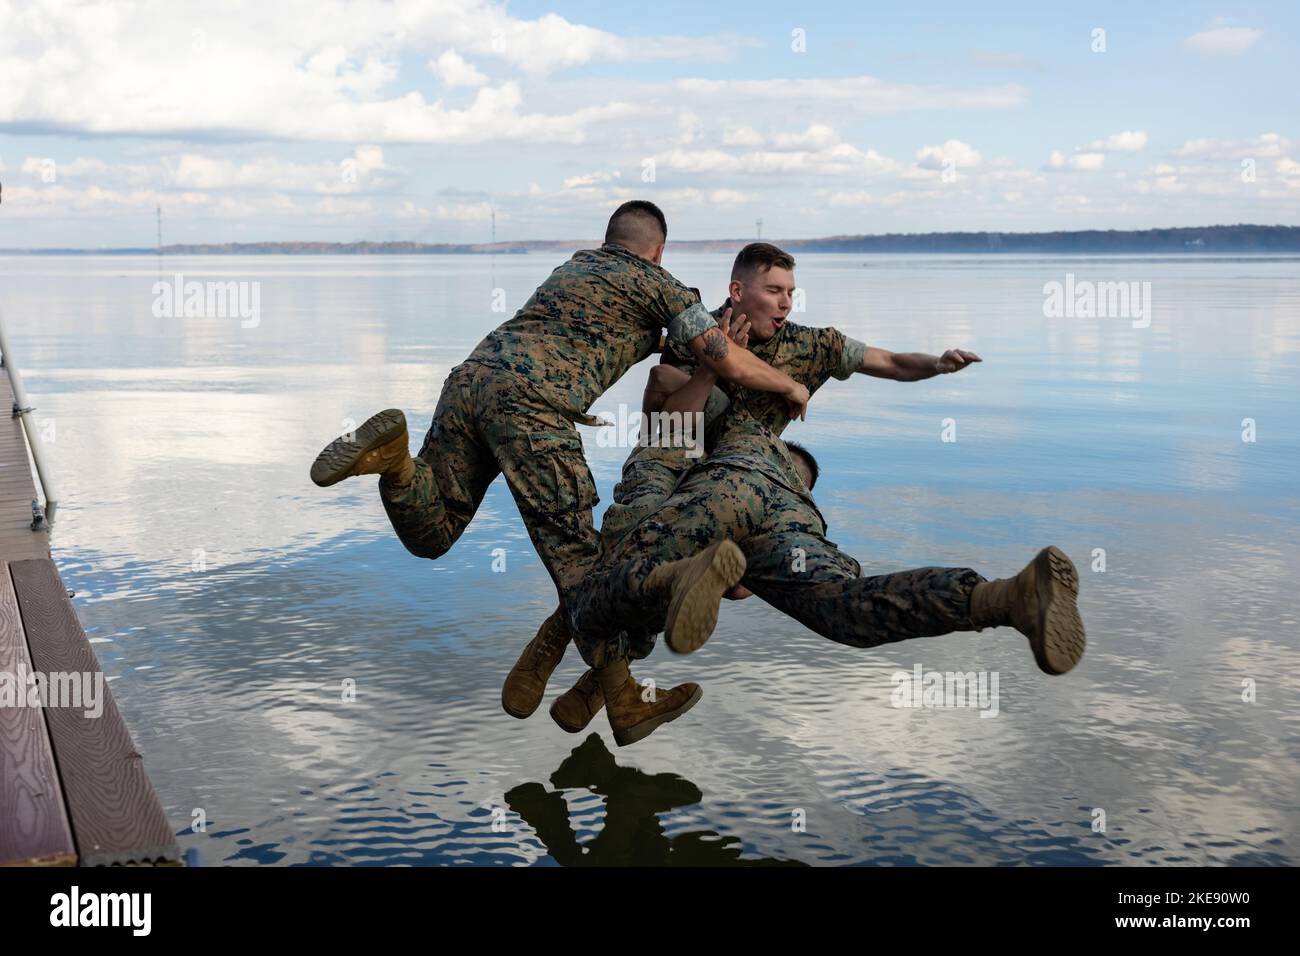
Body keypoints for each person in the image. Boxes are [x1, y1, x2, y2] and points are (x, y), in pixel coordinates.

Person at [309, 201, 811, 744]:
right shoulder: (660, 284)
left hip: (471, 380)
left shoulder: (571, 269)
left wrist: (698, 343)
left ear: (609, 239)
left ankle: (397, 465)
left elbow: (652, 340)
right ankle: (622, 697)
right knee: (581, 567)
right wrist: (790, 385)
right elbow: (723, 357)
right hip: (533, 407)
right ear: (659, 251)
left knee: (433, 532)